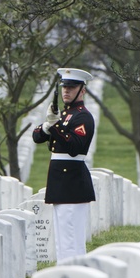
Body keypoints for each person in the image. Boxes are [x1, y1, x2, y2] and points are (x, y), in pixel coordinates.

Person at [32, 68, 96, 259]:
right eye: (64, 87)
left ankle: (72, 277)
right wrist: (47, 124)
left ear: (82, 90)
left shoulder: (83, 116)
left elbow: (74, 146)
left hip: (72, 182)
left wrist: (55, 125)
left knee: (71, 238)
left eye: (72, 87)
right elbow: (37, 136)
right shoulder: (63, 115)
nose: (66, 90)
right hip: (60, 182)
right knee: (62, 239)